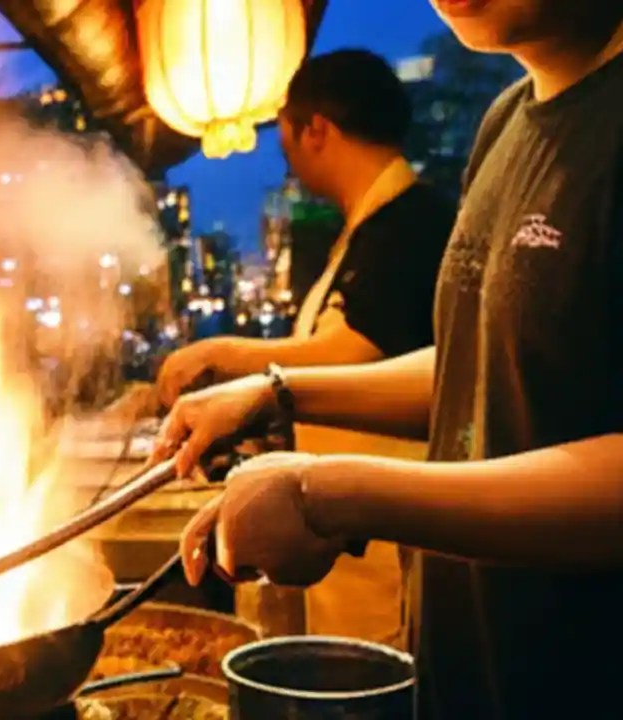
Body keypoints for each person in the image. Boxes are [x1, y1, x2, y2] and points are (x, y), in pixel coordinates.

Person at [153, 1, 623, 716]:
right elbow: (481, 363)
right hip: (468, 672)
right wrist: (280, 393)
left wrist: (333, 493)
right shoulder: (506, 122)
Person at [154, 49, 457, 647]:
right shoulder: (366, 227)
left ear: (316, 129)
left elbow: (358, 351)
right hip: (345, 539)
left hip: (383, 546)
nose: (286, 158)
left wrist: (229, 361)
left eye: (286, 137)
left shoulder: (411, 222)